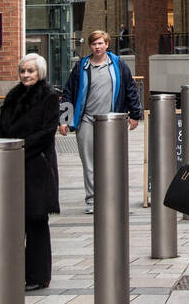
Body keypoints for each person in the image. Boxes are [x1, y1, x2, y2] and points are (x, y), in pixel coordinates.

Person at [0, 54, 60, 290]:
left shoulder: (50, 96)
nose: (26, 75)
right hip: (12, 164)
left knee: (36, 220)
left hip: (37, 165)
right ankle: (14, 272)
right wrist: (1, 145)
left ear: (39, 72)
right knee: (13, 221)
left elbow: (47, 132)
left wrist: (19, 146)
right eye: (23, 71)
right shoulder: (14, 96)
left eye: (30, 71)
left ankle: (38, 276)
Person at [59, 30, 141, 212]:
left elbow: (130, 89)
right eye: (94, 44)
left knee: (113, 160)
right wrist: (64, 120)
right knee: (89, 162)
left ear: (107, 45)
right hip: (86, 119)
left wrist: (135, 114)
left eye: (100, 43)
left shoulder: (118, 64)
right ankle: (93, 201)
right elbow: (68, 92)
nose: (97, 47)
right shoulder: (82, 66)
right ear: (90, 46)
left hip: (112, 121)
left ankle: (114, 198)